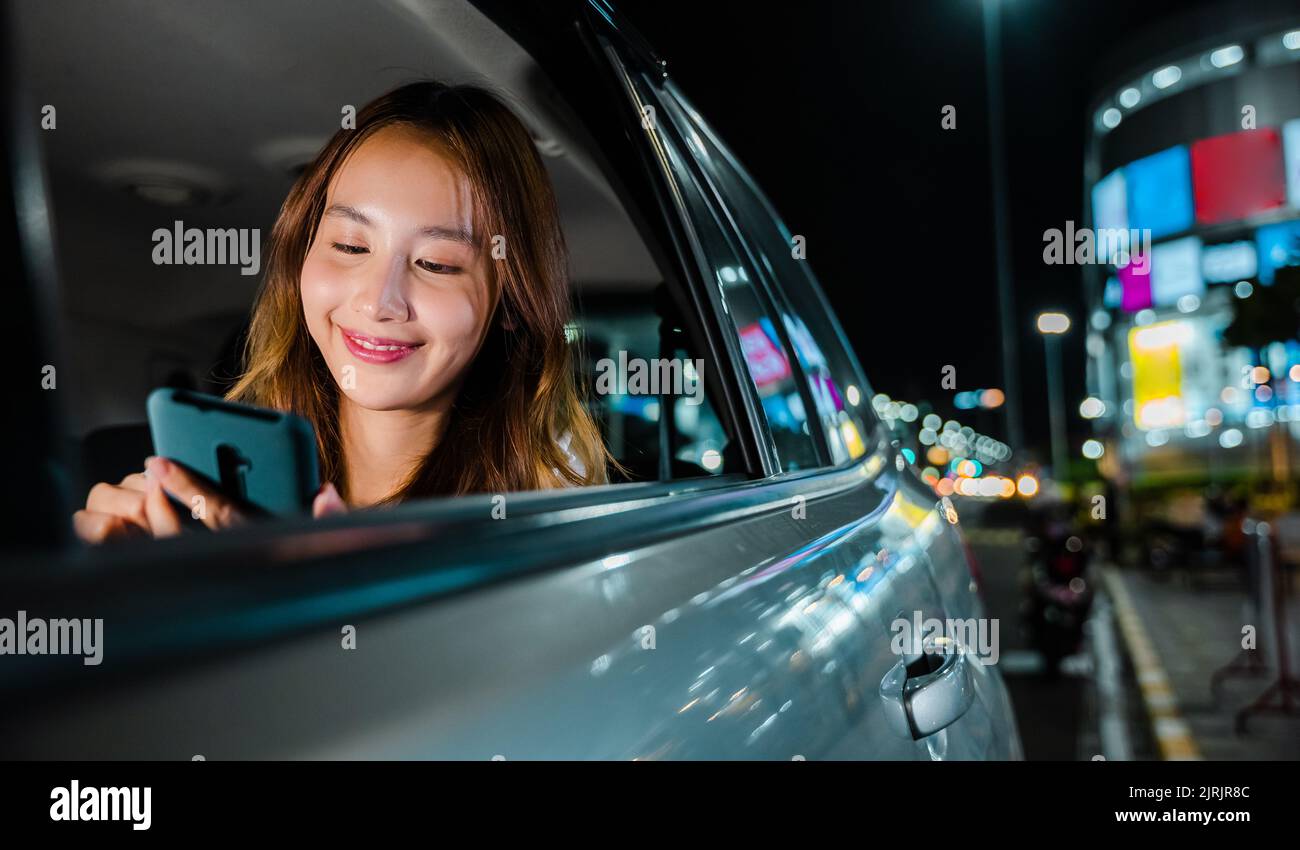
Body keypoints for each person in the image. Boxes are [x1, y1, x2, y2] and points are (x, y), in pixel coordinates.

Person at [75, 81, 613, 543]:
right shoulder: (197, 495)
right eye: (351, 247)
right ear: (302, 257)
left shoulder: (548, 531)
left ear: (511, 304)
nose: (379, 301)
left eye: (437, 263)